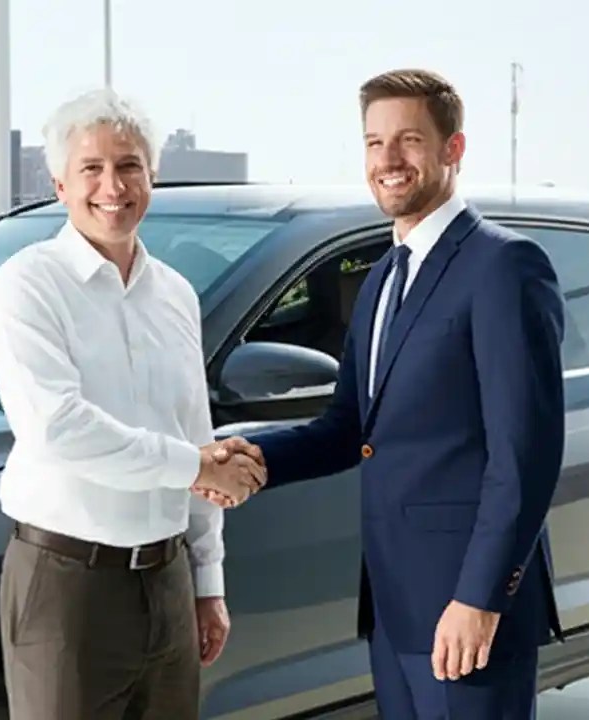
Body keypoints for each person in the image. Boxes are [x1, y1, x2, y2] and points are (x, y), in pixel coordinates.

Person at [214, 69, 567, 718]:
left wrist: (480, 598)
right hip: (393, 606)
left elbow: (525, 457)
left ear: (453, 149)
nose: (388, 160)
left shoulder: (503, 267)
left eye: (409, 139)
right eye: (375, 143)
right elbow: (353, 426)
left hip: (466, 610)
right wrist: (259, 459)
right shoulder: (381, 278)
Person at [0, 87, 265, 720]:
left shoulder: (176, 294)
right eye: (92, 167)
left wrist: (207, 581)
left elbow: (195, 429)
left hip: (168, 580)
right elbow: (59, 430)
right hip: (67, 585)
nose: (113, 186)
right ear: (60, 184)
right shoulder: (27, 285)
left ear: (151, 176)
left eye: (129, 165)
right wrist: (196, 466)